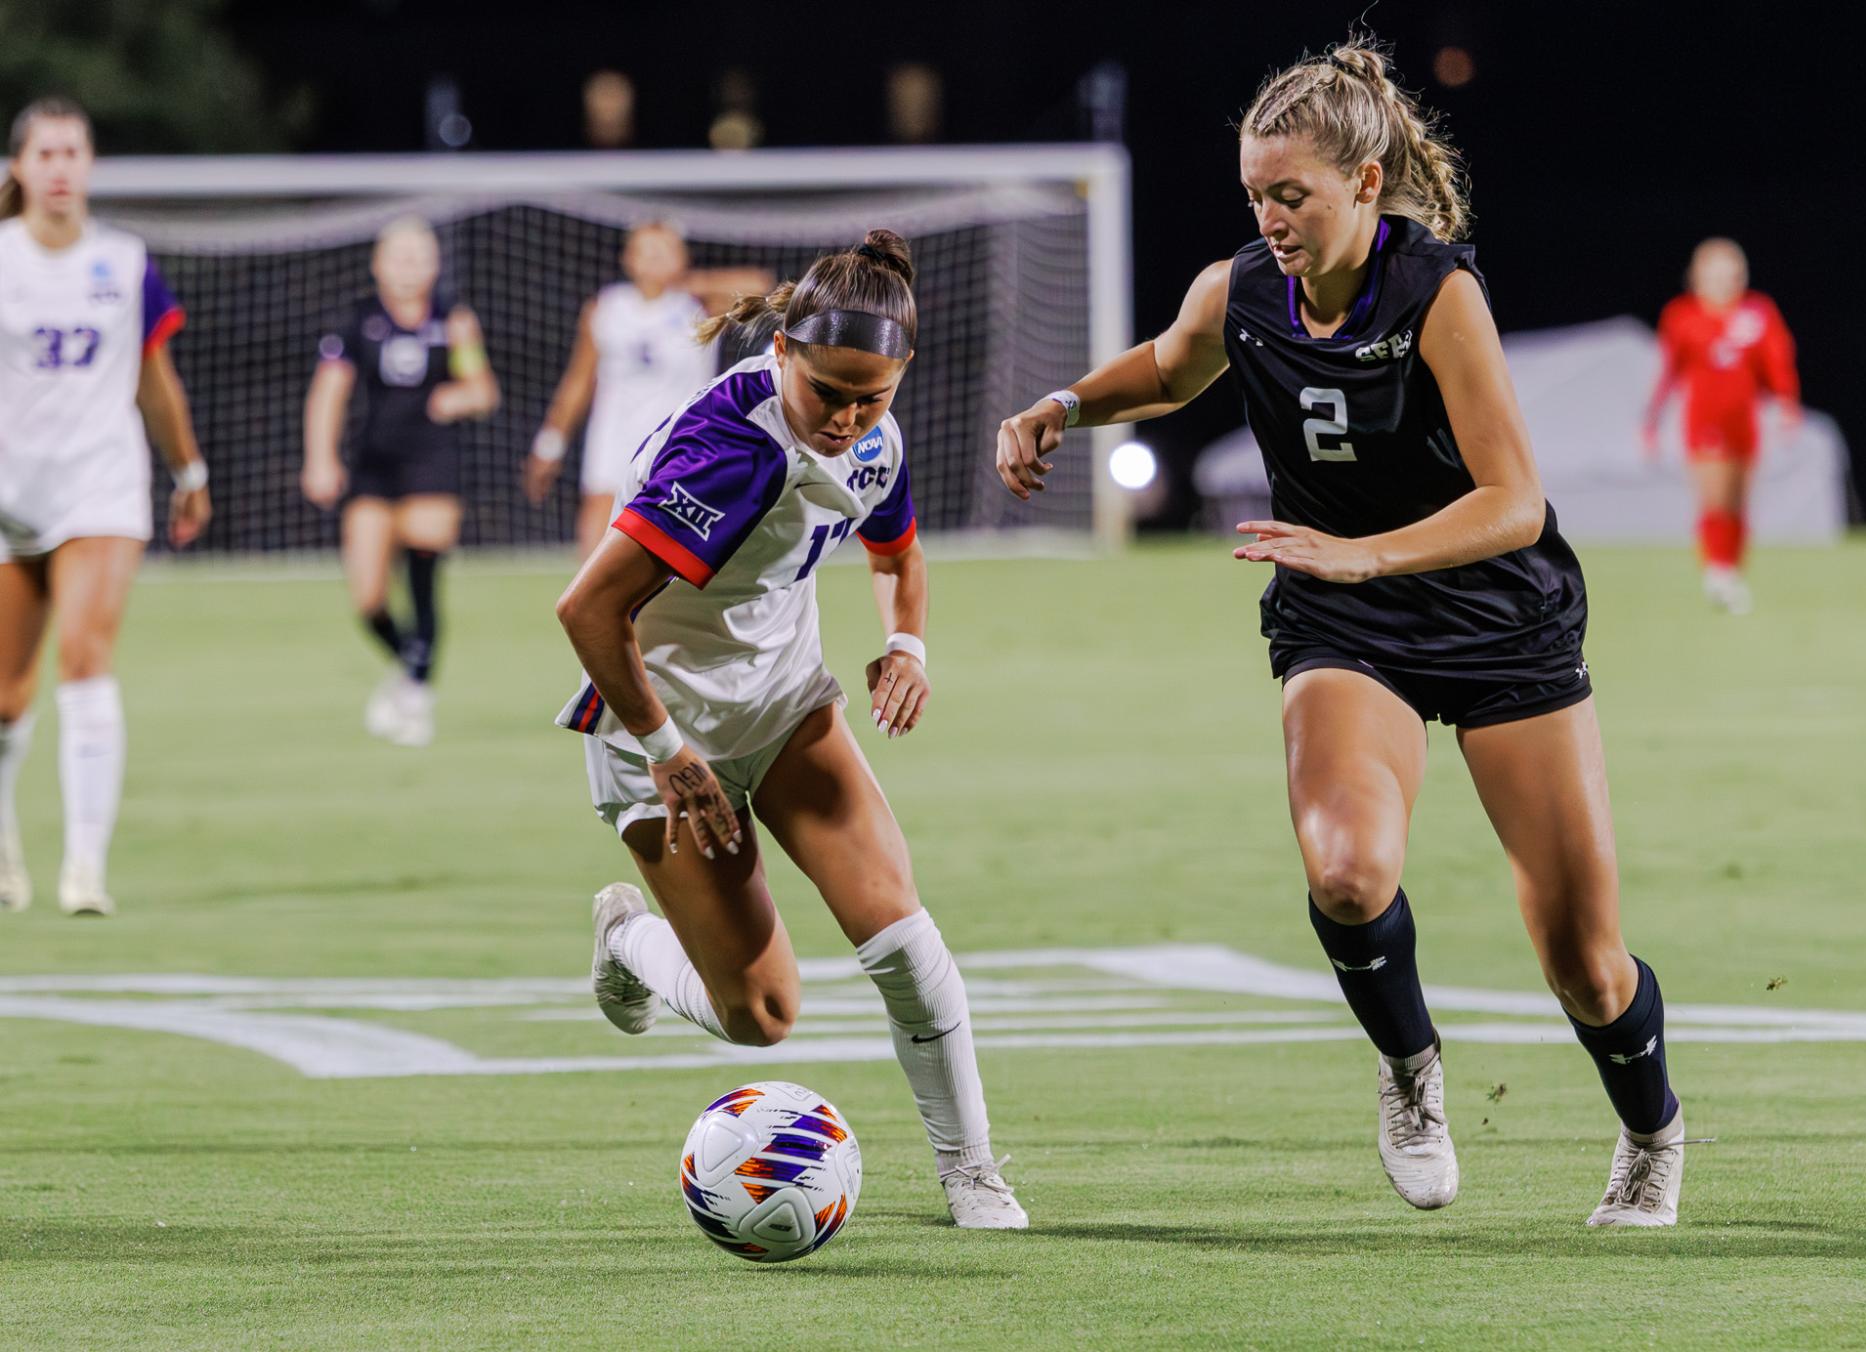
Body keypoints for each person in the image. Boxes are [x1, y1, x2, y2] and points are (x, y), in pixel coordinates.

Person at [995, 43, 1686, 1226]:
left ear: (1367, 183)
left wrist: (1367, 548)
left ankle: (1651, 1129)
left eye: (1293, 194)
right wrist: (1063, 404)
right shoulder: (1243, 286)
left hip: (1492, 612)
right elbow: (1169, 367)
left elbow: (1512, 501)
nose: (1269, 218)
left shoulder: (1437, 294)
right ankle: (1412, 1071)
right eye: (1256, 194)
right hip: (1341, 612)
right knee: (1350, 872)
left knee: (1584, 957)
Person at [554, 229, 1026, 1230]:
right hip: (660, 732)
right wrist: (669, 750)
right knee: (762, 1015)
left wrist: (908, 645)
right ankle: (631, 941)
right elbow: (587, 612)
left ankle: (973, 1170)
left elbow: (897, 553)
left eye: (875, 396)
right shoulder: (726, 450)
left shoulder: (871, 438)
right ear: (781, 354)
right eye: (832, 394)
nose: (852, 418)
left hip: (782, 704)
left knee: (902, 930)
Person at [0, 97, 211, 917]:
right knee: (8, 698)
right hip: (13, 493)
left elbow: (152, 376)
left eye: (72, 152)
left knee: (84, 656)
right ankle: (7, 852)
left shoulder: (124, 263)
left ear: (89, 167)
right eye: (44, 153)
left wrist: (187, 468)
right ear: (18, 167)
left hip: (100, 484)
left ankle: (84, 870)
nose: (59, 167)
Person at [301, 217, 499, 747]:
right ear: (378, 265)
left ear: (435, 265)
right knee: (368, 598)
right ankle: (411, 671)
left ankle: (416, 697)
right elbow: (329, 393)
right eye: (399, 257)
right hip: (373, 466)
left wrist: (459, 396)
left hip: (432, 464)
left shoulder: (453, 322)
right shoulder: (357, 322)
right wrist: (320, 459)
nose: (409, 267)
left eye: (419, 257)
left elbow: (482, 388)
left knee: (422, 582)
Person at [523, 222, 771, 557]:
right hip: (613, 443)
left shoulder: (698, 304)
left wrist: (688, 281)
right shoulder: (607, 308)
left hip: (679, 444)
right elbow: (578, 381)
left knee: (673, 555)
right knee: (596, 552)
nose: (655, 259)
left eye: (665, 251)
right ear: (629, 259)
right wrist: (550, 445)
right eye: (647, 251)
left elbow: (761, 286)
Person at [1642, 238, 1800, 614]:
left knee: (1738, 501)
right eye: (1714, 271)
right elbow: (1668, 372)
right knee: (1714, 498)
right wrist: (1651, 421)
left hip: (1744, 420)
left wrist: (1786, 403)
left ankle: (1731, 571)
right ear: (1697, 276)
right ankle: (1716, 571)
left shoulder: (1758, 313)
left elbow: (1778, 360)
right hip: (1704, 421)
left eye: (1731, 270)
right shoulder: (1682, 315)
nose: (1723, 279)